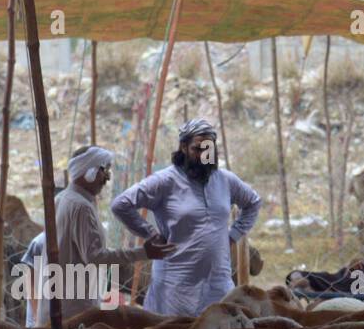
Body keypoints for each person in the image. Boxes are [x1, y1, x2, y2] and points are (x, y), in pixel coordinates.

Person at [111, 119, 260, 316]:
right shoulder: (165, 181)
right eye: (198, 149)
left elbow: (253, 202)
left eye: (209, 149)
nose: (204, 155)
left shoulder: (224, 180)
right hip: (175, 289)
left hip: (218, 285)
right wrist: (150, 234)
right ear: (183, 147)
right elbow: (121, 204)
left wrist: (233, 235)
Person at [43, 145, 177, 325]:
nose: (106, 179)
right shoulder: (81, 207)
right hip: (74, 311)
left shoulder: (63, 199)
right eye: (103, 170)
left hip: (58, 304)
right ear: (88, 171)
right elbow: (95, 257)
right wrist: (144, 253)